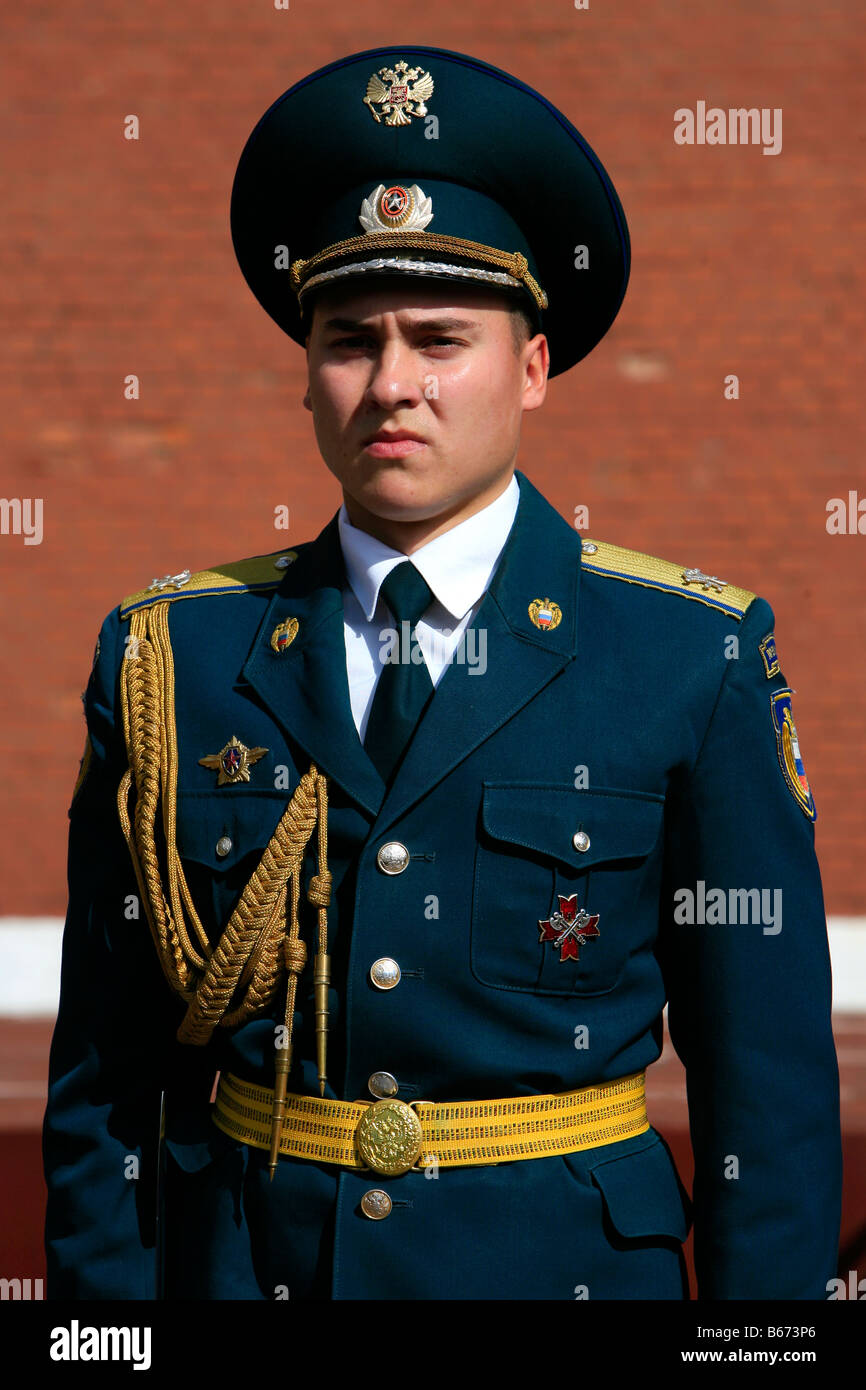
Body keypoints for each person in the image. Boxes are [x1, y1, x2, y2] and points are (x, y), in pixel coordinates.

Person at [43, 43, 841, 1301]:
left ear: (530, 367)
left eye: (442, 339)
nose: (393, 385)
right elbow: (106, 1075)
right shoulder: (173, 659)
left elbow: (769, 1090)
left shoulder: (687, 655)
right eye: (350, 340)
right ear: (306, 375)